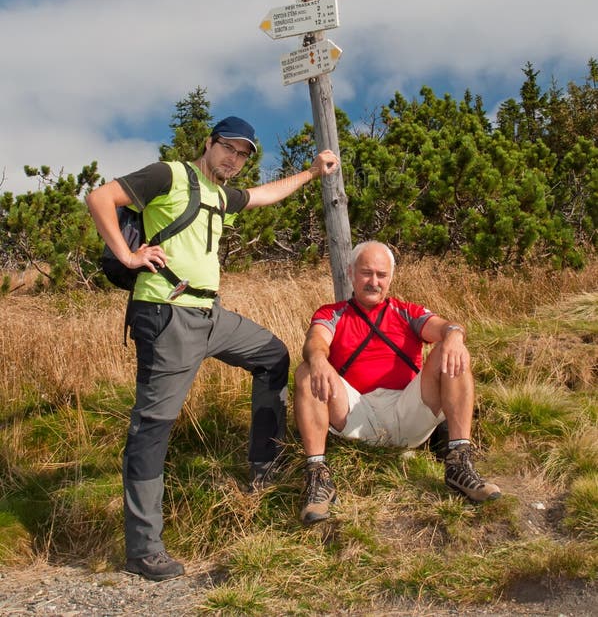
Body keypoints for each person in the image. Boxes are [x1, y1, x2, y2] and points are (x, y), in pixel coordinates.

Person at [87, 116, 339, 580]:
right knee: (153, 427)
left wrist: (311, 172)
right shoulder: (170, 175)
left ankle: (263, 466)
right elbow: (100, 197)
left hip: (210, 316)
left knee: (273, 356)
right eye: (229, 148)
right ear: (210, 142)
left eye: (244, 155)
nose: (235, 159)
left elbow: (263, 195)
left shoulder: (221, 195)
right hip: (166, 315)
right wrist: (128, 255)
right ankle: (144, 550)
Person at [293, 240, 501, 525]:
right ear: (350, 273)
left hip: (407, 411)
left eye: (381, 275)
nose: (374, 281)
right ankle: (318, 478)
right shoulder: (333, 313)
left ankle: (459, 463)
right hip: (357, 413)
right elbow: (316, 341)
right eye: (366, 273)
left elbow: (445, 326)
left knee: (451, 351)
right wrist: (318, 359)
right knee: (307, 369)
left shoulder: (407, 312)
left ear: (391, 277)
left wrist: (454, 335)